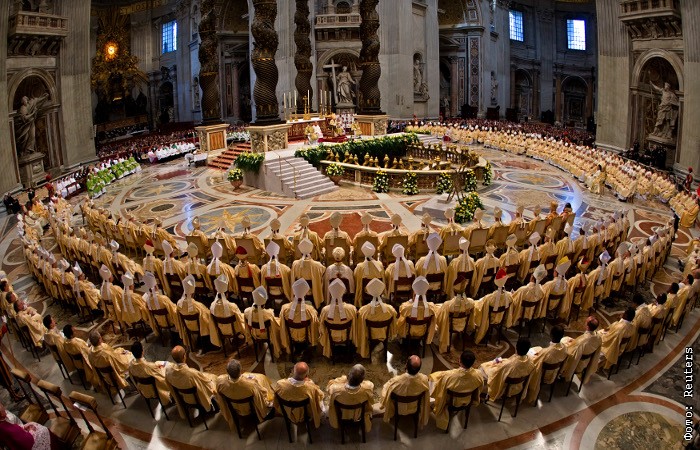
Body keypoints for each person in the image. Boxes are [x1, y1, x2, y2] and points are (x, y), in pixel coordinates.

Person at [430, 350, 484, 430]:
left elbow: (440, 388)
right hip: (467, 400)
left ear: (459, 361)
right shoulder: (478, 375)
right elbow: (479, 389)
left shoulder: (449, 375)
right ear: (473, 363)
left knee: (433, 380)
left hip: (451, 401)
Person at [216, 359, 275, 430]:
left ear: (227, 372)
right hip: (250, 407)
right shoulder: (251, 384)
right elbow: (262, 394)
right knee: (262, 380)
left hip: (233, 407)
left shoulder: (220, 382)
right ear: (240, 370)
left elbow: (219, 397)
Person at [165, 346, 218, 420]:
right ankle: (213, 406)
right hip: (196, 398)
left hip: (183, 397)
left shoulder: (168, 370)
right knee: (213, 378)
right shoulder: (192, 373)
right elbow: (205, 385)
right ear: (184, 356)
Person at [381, 355, 430, 427]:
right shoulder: (424, 379)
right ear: (419, 368)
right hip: (414, 407)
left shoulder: (396, 381)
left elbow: (386, 391)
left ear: (406, 365)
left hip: (399, 408)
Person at [525, 325, 568, 403]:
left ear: (551, 335)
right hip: (555, 373)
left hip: (543, 375)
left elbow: (535, 363)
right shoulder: (564, 348)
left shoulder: (546, 352)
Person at [274, 362, 325, 428]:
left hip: (288, 411)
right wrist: (309, 382)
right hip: (305, 412)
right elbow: (320, 396)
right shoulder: (311, 387)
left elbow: (276, 399)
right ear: (306, 375)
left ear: (293, 371)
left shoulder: (280, 384)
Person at [326, 364, 375, 431]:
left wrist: (342, 380)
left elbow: (329, 387)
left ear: (348, 376)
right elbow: (370, 388)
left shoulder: (335, 389)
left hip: (342, 413)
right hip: (359, 414)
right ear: (362, 380)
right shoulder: (368, 388)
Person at [128, 341, 172, 408]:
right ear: (142, 351)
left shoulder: (131, 365)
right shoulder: (149, 366)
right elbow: (161, 376)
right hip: (154, 390)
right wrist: (162, 368)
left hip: (143, 389)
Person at [561, 316, 602, 383]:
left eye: (586, 322)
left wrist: (570, 344)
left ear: (587, 326)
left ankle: (561, 371)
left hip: (578, 364)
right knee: (567, 339)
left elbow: (573, 355)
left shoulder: (582, 341)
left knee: (563, 341)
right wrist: (575, 342)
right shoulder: (598, 337)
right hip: (586, 362)